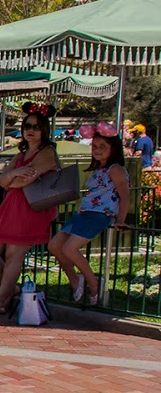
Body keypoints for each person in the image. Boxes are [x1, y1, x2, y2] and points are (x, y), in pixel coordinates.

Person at [0, 103, 61, 315]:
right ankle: (10, 289)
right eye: (27, 126)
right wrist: (15, 175)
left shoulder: (47, 152)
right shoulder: (20, 155)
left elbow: (20, 180)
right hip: (11, 206)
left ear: (44, 130)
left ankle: (0, 300)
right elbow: (2, 180)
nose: (31, 130)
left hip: (31, 208)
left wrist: (12, 177)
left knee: (14, 254)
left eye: (36, 127)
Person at [49, 123, 130, 305]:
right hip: (84, 212)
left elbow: (125, 196)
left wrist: (121, 219)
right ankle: (76, 279)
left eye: (103, 147)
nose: (98, 150)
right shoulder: (99, 169)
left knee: (70, 248)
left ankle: (93, 282)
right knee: (55, 245)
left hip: (99, 214)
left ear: (113, 149)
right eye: (95, 146)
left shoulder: (115, 169)